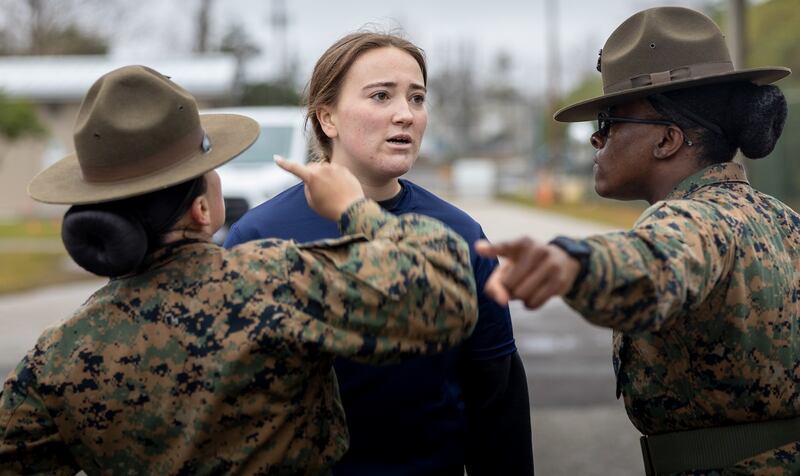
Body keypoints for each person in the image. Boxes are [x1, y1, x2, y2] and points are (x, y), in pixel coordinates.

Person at [0, 65, 479, 474]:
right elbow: (445, 288)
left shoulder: (57, 358)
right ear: (202, 212)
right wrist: (355, 208)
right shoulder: (273, 285)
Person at [476, 6, 798, 475]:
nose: (595, 141)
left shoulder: (692, 220)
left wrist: (574, 264)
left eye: (608, 121)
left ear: (667, 140)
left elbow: (655, 261)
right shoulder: (783, 218)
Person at [225, 32, 533, 475]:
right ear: (326, 116)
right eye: (381, 96)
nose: (405, 115)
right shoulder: (258, 234)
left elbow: (497, 400)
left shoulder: (461, 234)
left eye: (417, 98)